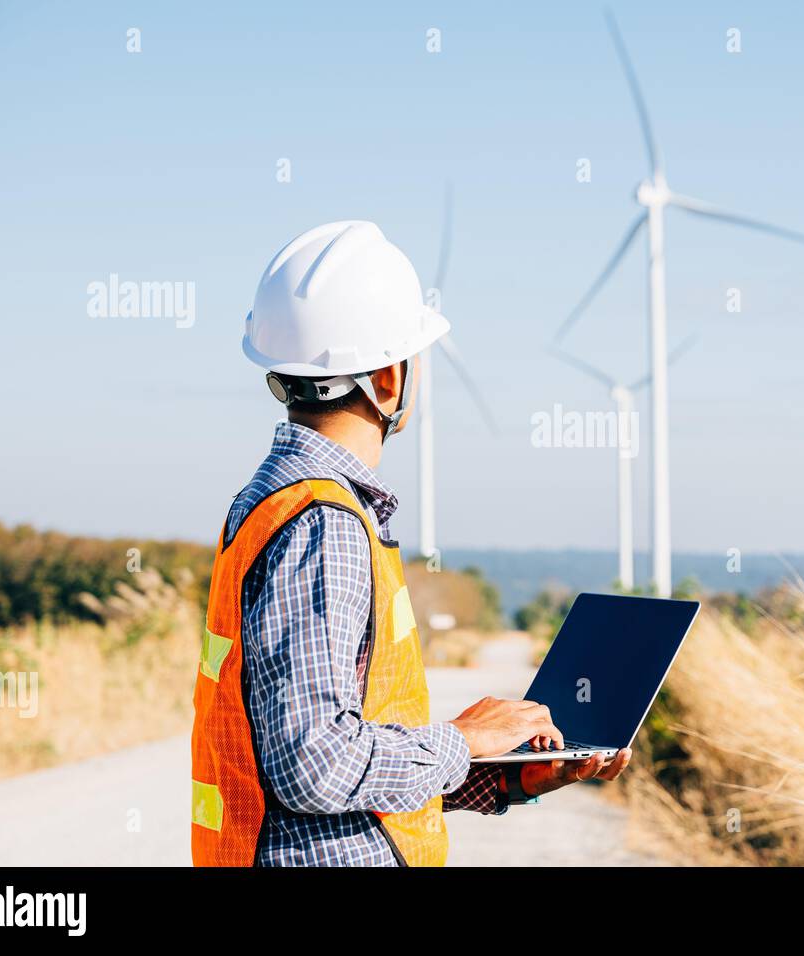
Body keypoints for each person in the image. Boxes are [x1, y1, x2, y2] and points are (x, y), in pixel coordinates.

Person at [190, 221, 630, 867]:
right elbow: (314, 765)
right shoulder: (324, 522)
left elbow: (322, 759)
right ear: (392, 379)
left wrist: (502, 777)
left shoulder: (275, 501)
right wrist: (461, 739)